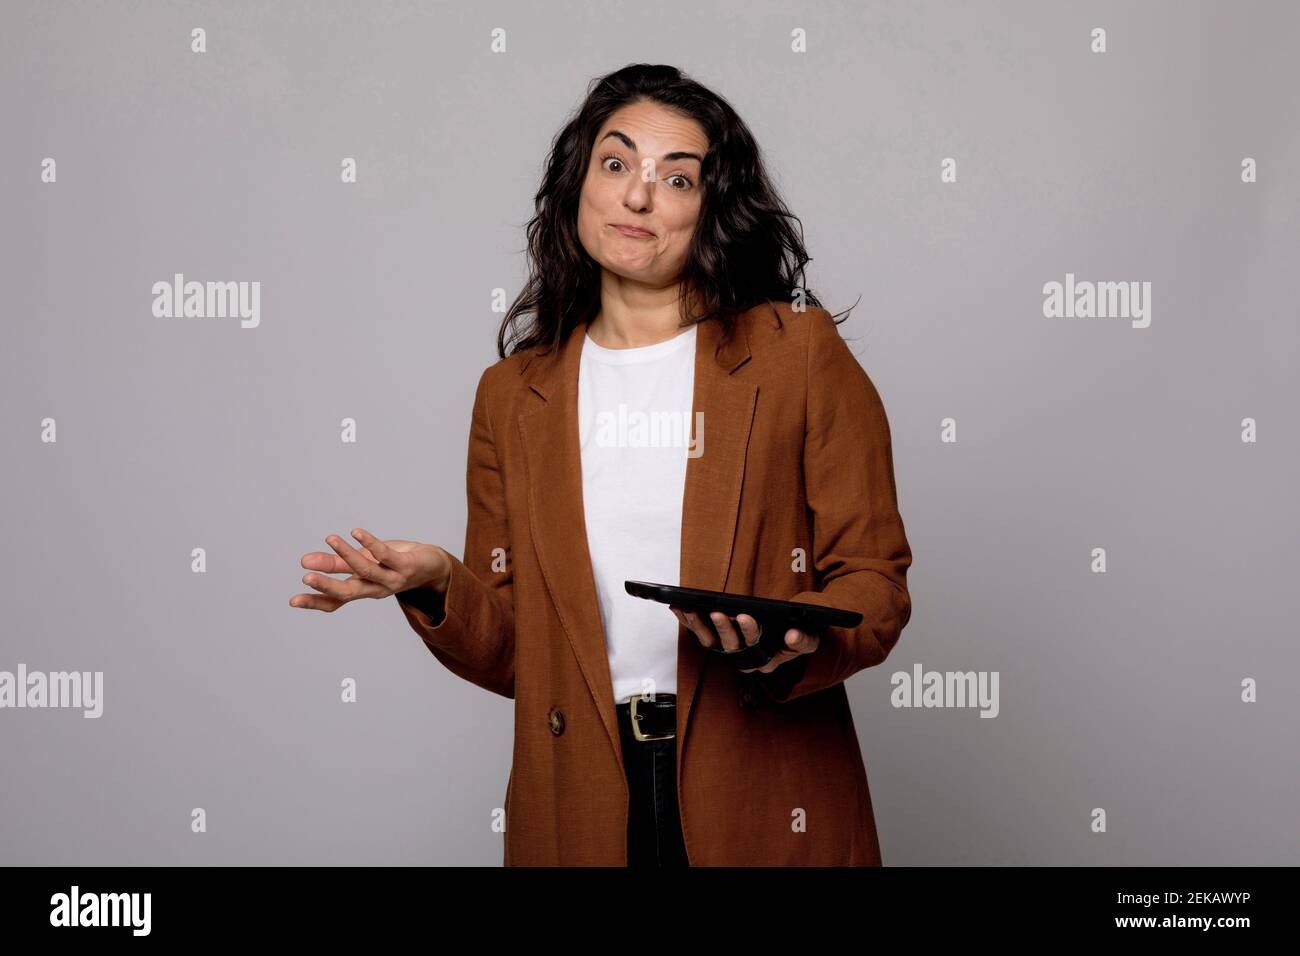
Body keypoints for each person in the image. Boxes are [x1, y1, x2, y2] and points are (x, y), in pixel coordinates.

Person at [290, 63, 913, 867]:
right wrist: (440, 580)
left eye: (677, 178)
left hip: (762, 784)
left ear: (711, 208)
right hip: (576, 796)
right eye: (616, 164)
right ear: (576, 183)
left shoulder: (796, 356)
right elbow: (520, 654)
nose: (638, 197)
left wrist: (787, 638)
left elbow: (874, 582)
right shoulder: (513, 395)